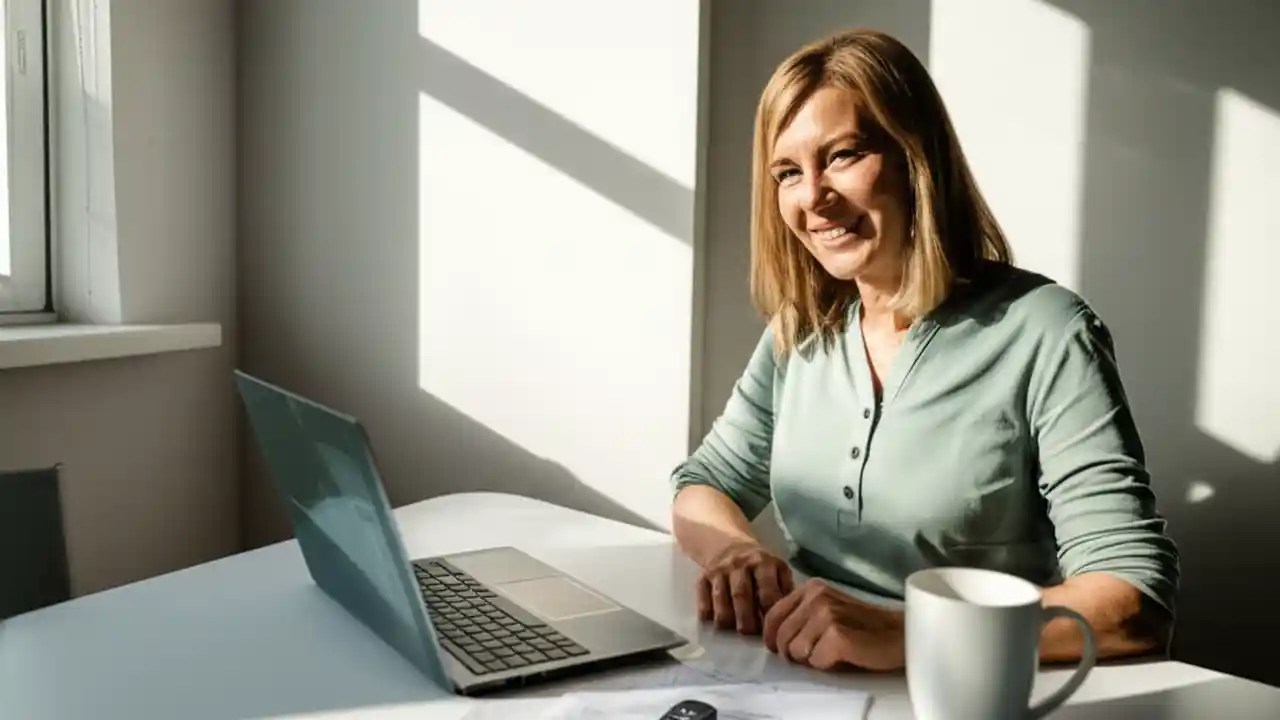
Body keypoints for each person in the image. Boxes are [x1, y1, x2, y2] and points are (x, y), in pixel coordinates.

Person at [669, 28, 1179, 673]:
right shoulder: (804, 328)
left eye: (844, 155)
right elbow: (704, 484)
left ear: (916, 159)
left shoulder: (1046, 330)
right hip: (795, 677)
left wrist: (910, 635)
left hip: (970, 690)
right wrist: (733, 553)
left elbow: (1134, 602)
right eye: (788, 173)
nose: (812, 197)